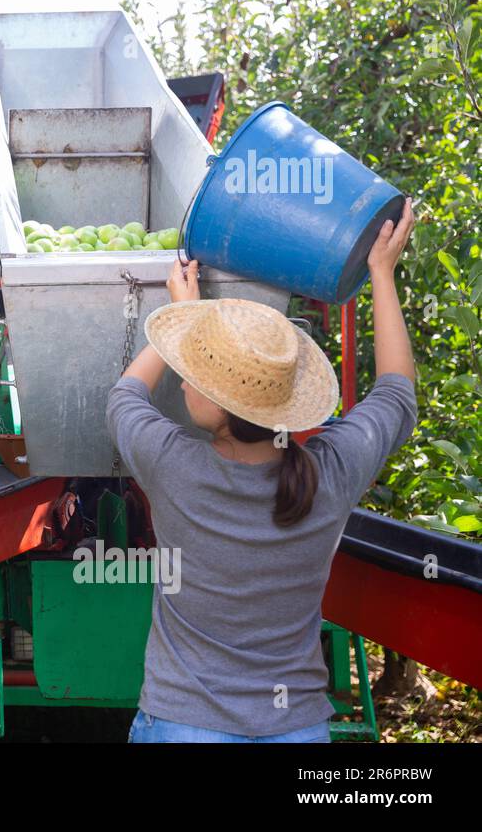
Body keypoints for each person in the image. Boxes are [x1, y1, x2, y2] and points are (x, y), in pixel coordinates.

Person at [106, 199, 417, 743]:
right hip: (294, 730)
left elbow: (124, 397)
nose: (184, 381)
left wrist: (187, 319)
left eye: (196, 374)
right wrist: (381, 273)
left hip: (184, 725)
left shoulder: (172, 464)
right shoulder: (332, 472)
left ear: (219, 406)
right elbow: (396, 395)